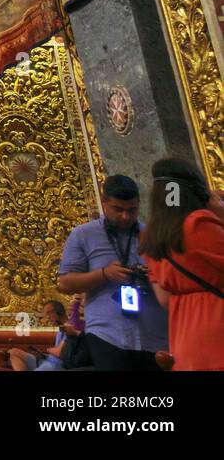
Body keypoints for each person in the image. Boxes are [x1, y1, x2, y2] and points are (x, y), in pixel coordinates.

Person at [58, 174, 168, 370]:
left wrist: (153, 274)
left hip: (155, 335)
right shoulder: (83, 234)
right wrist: (104, 274)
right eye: (118, 209)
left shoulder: (153, 235)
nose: (125, 216)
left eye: (132, 210)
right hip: (107, 334)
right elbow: (65, 283)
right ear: (104, 202)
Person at [142, 158, 224, 370]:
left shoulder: (151, 237)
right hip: (217, 329)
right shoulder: (198, 223)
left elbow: (164, 299)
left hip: (185, 335)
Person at [6, 300, 72, 371]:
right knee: (12, 352)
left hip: (55, 366)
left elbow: (59, 353)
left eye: (49, 313)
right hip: (47, 360)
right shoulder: (60, 329)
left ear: (59, 311)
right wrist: (42, 355)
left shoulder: (70, 328)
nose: (47, 317)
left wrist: (47, 350)